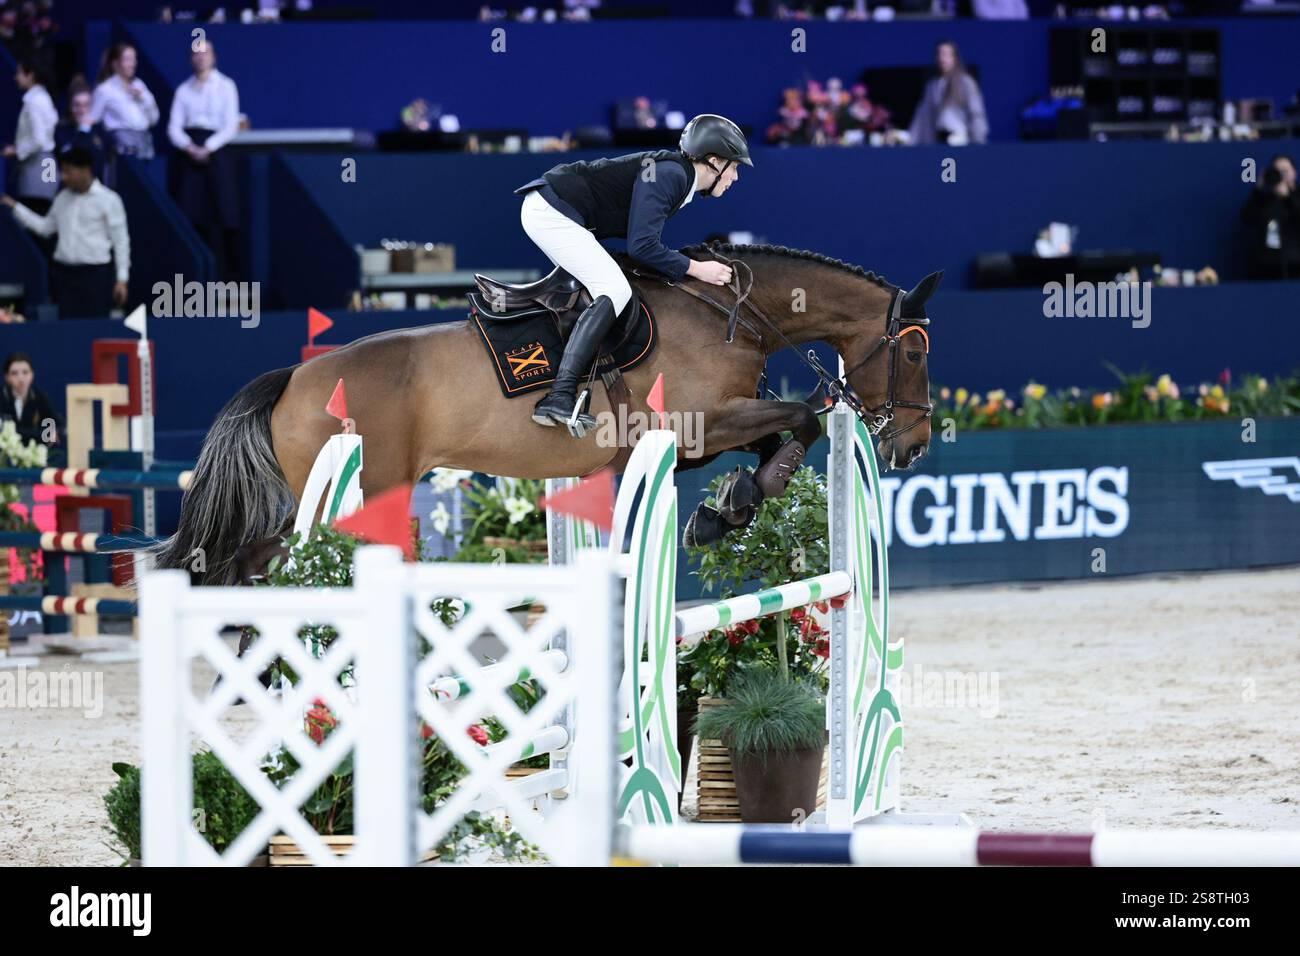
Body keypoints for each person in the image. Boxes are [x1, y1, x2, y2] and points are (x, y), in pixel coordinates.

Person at [514, 113, 750, 433]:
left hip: (558, 210)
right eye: (733, 167)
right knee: (615, 289)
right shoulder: (671, 175)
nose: (735, 177)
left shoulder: (676, 177)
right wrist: (697, 269)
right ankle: (560, 395)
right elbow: (642, 246)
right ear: (713, 160)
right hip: (552, 213)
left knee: (615, 282)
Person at [1, 148, 131, 319]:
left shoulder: (109, 200)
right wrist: (15, 207)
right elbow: (45, 228)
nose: (63, 177)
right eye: (62, 171)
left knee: (94, 330)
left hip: (95, 277)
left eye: (68, 171)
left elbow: (121, 241)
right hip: (65, 277)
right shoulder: (62, 198)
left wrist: (122, 279)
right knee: (68, 333)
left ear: (85, 170)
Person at [167, 40, 241, 280]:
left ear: (213, 57)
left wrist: (208, 147)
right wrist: (189, 146)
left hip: (217, 152)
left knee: (223, 214)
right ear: (191, 59)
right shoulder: (183, 90)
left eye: (205, 53)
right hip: (189, 156)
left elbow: (231, 125)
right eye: (196, 54)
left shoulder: (226, 86)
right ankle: (193, 277)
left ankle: (226, 277)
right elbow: (173, 128)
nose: (200, 58)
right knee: (191, 214)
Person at [3, 59, 58, 215]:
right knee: (46, 209)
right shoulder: (45, 97)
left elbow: (38, 140)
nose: (16, 77)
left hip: (38, 166)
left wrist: (16, 150)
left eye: (20, 73)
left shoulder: (34, 101)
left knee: (35, 212)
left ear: (31, 75)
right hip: (48, 161)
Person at [908, 41, 988, 146]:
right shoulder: (933, 85)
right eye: (939, 54)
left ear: (955, 58)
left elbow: (976, 114)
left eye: (946, 54)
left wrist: (978, 140)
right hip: (939, 142)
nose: (942, 59)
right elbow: (923, 116)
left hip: (962, 141)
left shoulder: (966, 82)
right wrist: (911, 139)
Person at [90, 42, 159, 160]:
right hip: (120, 148)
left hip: (144, 145)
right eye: (127, 59)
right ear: (115, 64)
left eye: (134, 59)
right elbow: (92, 119)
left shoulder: (140, 85)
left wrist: (143, 98)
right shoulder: (105, 89)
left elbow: (154, 119)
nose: (132, 64)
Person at [1240, 155, 1300, 280]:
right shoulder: (1265, 198)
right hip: (1268, 263)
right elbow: (1248, 218)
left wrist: (1288, 198)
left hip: (1295, 263)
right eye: (1277, 172)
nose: (1282, 176)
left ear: (1294, 172)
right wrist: (1259, 190)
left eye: (1285, 171)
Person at [55, 82, 114, 185]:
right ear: (70, 107)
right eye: (77, 105)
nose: (82, 110)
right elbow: (69, 158)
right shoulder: (61, 131)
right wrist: (83, 131)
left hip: (96, 191)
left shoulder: (100, 132)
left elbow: (102, 160)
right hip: (68, 190)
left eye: (86, 105)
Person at [1, 352, 62, 447]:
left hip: (32, 455)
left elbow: (56, 425)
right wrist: (39, 435)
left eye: (25, 372)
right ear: (7, 377)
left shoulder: (39, 397)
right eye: (14, 373)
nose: (21, 378)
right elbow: (4, 431)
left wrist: (52, 433)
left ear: (32, 375)